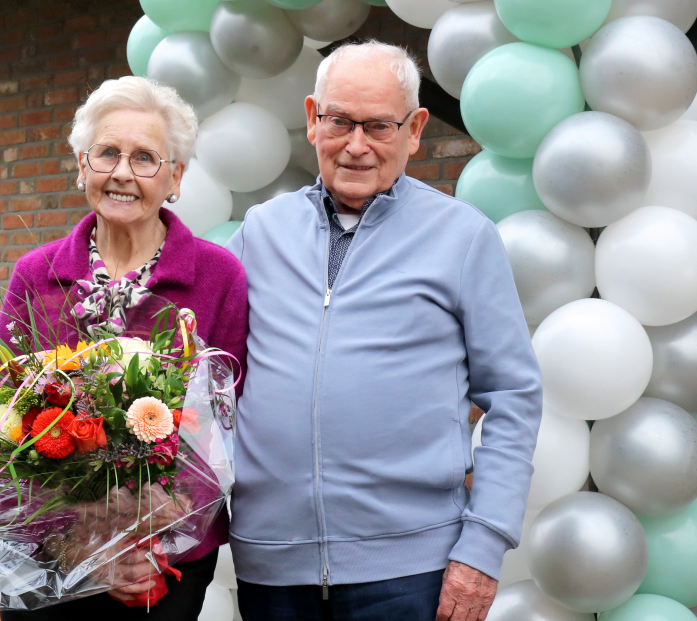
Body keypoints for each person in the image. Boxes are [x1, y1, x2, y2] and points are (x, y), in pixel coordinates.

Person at [226, 41, 543, 621]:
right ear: (311, 118)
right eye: (340, 120)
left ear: (415, 129)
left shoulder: (463, 237)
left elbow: (514, 398)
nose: (355, 145)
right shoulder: (259, 233)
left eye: (378, 126)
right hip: (271, 569)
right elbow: (207, 380)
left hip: (410, 572)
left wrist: (484, 546)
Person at [0, 76, 249, 620]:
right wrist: (74, 544)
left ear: (175, 177)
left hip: (163, 563)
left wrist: (146, 539)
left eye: (146, 158)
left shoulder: (217, 276)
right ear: (83, 165)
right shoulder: (36, 275)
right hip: (50, 560)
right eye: (107, 152)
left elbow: (230, 423)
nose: (123, 173)